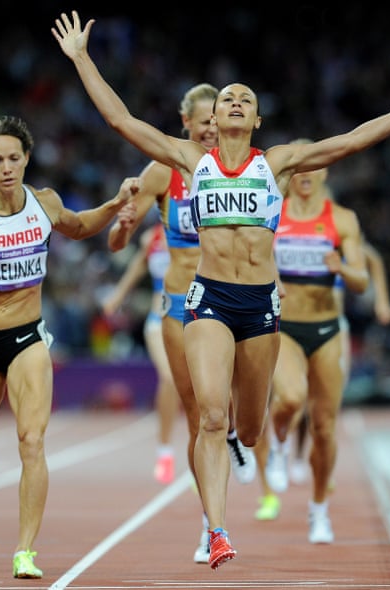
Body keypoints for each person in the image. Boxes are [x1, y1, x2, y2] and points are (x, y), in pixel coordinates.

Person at [53, 10, 390, 568]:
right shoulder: (189, 160)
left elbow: (350, 141)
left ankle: (250, 447)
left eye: (244, 98)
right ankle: (218, 531)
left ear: (257, 118)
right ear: (214, 116)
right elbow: (121, 121)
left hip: (261, 305)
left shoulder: (275, 164)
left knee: (249, 429)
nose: (234, 102)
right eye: (227, 98)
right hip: (209, 301)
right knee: (211, 416)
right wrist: (82, 58)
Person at [0, 115, 138, 579]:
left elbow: (80, 226)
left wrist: (116, 202)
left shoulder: (44, 203)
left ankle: (25, 551)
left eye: (14, 158)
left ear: (27, 159)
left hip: (27, 338)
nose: (6, 167)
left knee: (32, 440)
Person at [102, 82, 256, 564]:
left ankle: (233, 433)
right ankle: (211, 524)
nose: (213, 128)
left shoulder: (237, 167)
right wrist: (123, 225)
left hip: (231, 295)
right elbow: (115, 243)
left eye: (217, 120)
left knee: (232, 408)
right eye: (204, 121)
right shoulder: (164, 170)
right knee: (197, 413)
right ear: (186, 123)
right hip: (178, 302)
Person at [252, 155, 390, 546]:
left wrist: (341, 268)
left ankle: (319, 512)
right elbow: (253, 255)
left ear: (324, 172)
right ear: (289, 175)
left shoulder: (343, 218)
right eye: (298, 170)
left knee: (324, 427)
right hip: (286, 327)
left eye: (313, 169)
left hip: (329, 329)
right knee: (290, 398)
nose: (305, 176)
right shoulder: (272, 213)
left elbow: (362, 279)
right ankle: (279, 445)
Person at [283, 238, 390, 491]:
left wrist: (382, 300)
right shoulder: (295, 239)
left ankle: (323, 463)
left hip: (334, 329)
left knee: (327, 401)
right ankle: (296, 455)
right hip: (298, 327)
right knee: (298, 397)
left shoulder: (341, 238)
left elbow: (373, 258)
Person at [101, 222, 180, 485]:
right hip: (159, 318)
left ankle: (201, 451)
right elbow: (136, 268)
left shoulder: (200, 227)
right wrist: (117, 296)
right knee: (169, 379)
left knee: (198, 389)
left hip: (193, 318)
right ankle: (165, 451)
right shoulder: (152, 238)